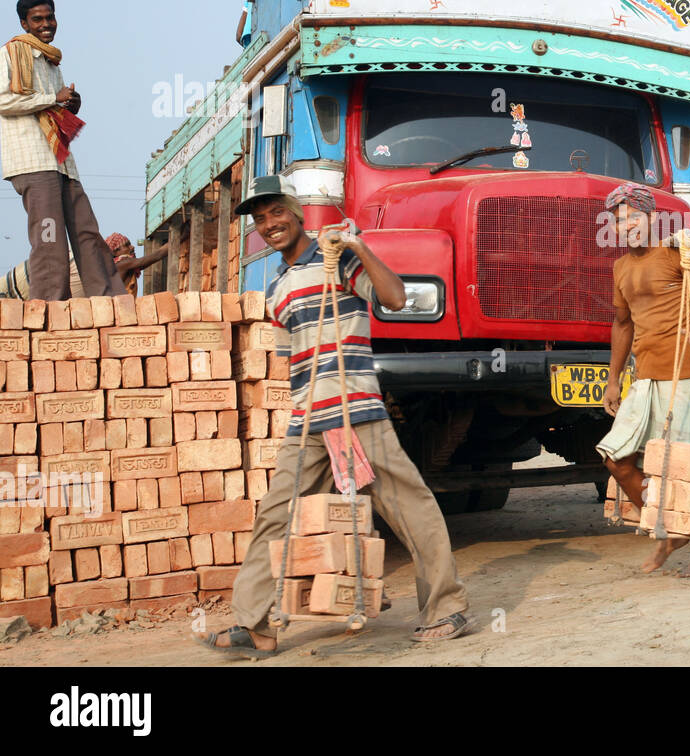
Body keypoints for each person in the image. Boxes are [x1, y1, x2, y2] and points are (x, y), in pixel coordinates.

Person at [201, 176, 472, 658]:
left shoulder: (337, 260)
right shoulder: (278, 287)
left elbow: (393, 298)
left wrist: (358, 246)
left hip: (357, 409)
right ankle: (257, 625)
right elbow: (293, 362)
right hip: (309, 422)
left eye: (276, 213)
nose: (270, 224)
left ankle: (444, 608)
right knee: (275, 516)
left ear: (296, 212)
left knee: (408, 507)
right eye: (261, 220)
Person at [597, 183, 690, 578]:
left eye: (634, 216)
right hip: (645, 376)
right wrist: (614, 378)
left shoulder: (679, 254)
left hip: (682, 372)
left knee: (689, 465)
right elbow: (622, 324)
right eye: (619, 221)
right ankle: (668, 528)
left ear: (652, 218)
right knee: (616, 458)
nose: (627, 225)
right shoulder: (621, 267)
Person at [0, 0, 124, 301]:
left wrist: (70, 104)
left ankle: (109, 301)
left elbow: (54, 104)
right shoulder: (11, 54)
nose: (46, 25)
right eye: (38, 20)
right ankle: (48, 308)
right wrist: (52, 98)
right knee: (49, 237)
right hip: (31, 160)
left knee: (86, 231)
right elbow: (3, 100)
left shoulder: (51, 60)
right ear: (24, 24)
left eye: (50, 18)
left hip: (61, 159)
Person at [0, 237, 167, 300]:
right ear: (115, 252)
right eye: (127, 245)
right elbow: (154, 257)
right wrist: (176, 240)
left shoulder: (108, 269)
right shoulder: (120, 265)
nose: (131, 248)